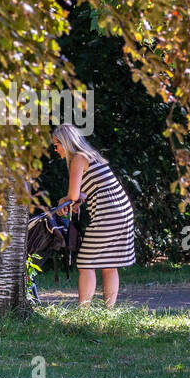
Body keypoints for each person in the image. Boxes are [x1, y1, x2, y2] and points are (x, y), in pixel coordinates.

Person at [53, 123, 135, 306]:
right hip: (122, 211)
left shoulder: (78, 159)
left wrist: (63, 202)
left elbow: (73, 195)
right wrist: (78, 199)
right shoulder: (91, 156)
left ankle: (84, 311)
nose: (55, 149)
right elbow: (93, 189)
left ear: (65, 143)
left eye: (56, 145)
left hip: (108, 214)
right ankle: (109, 311)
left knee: (85, 263)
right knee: (109, 264)